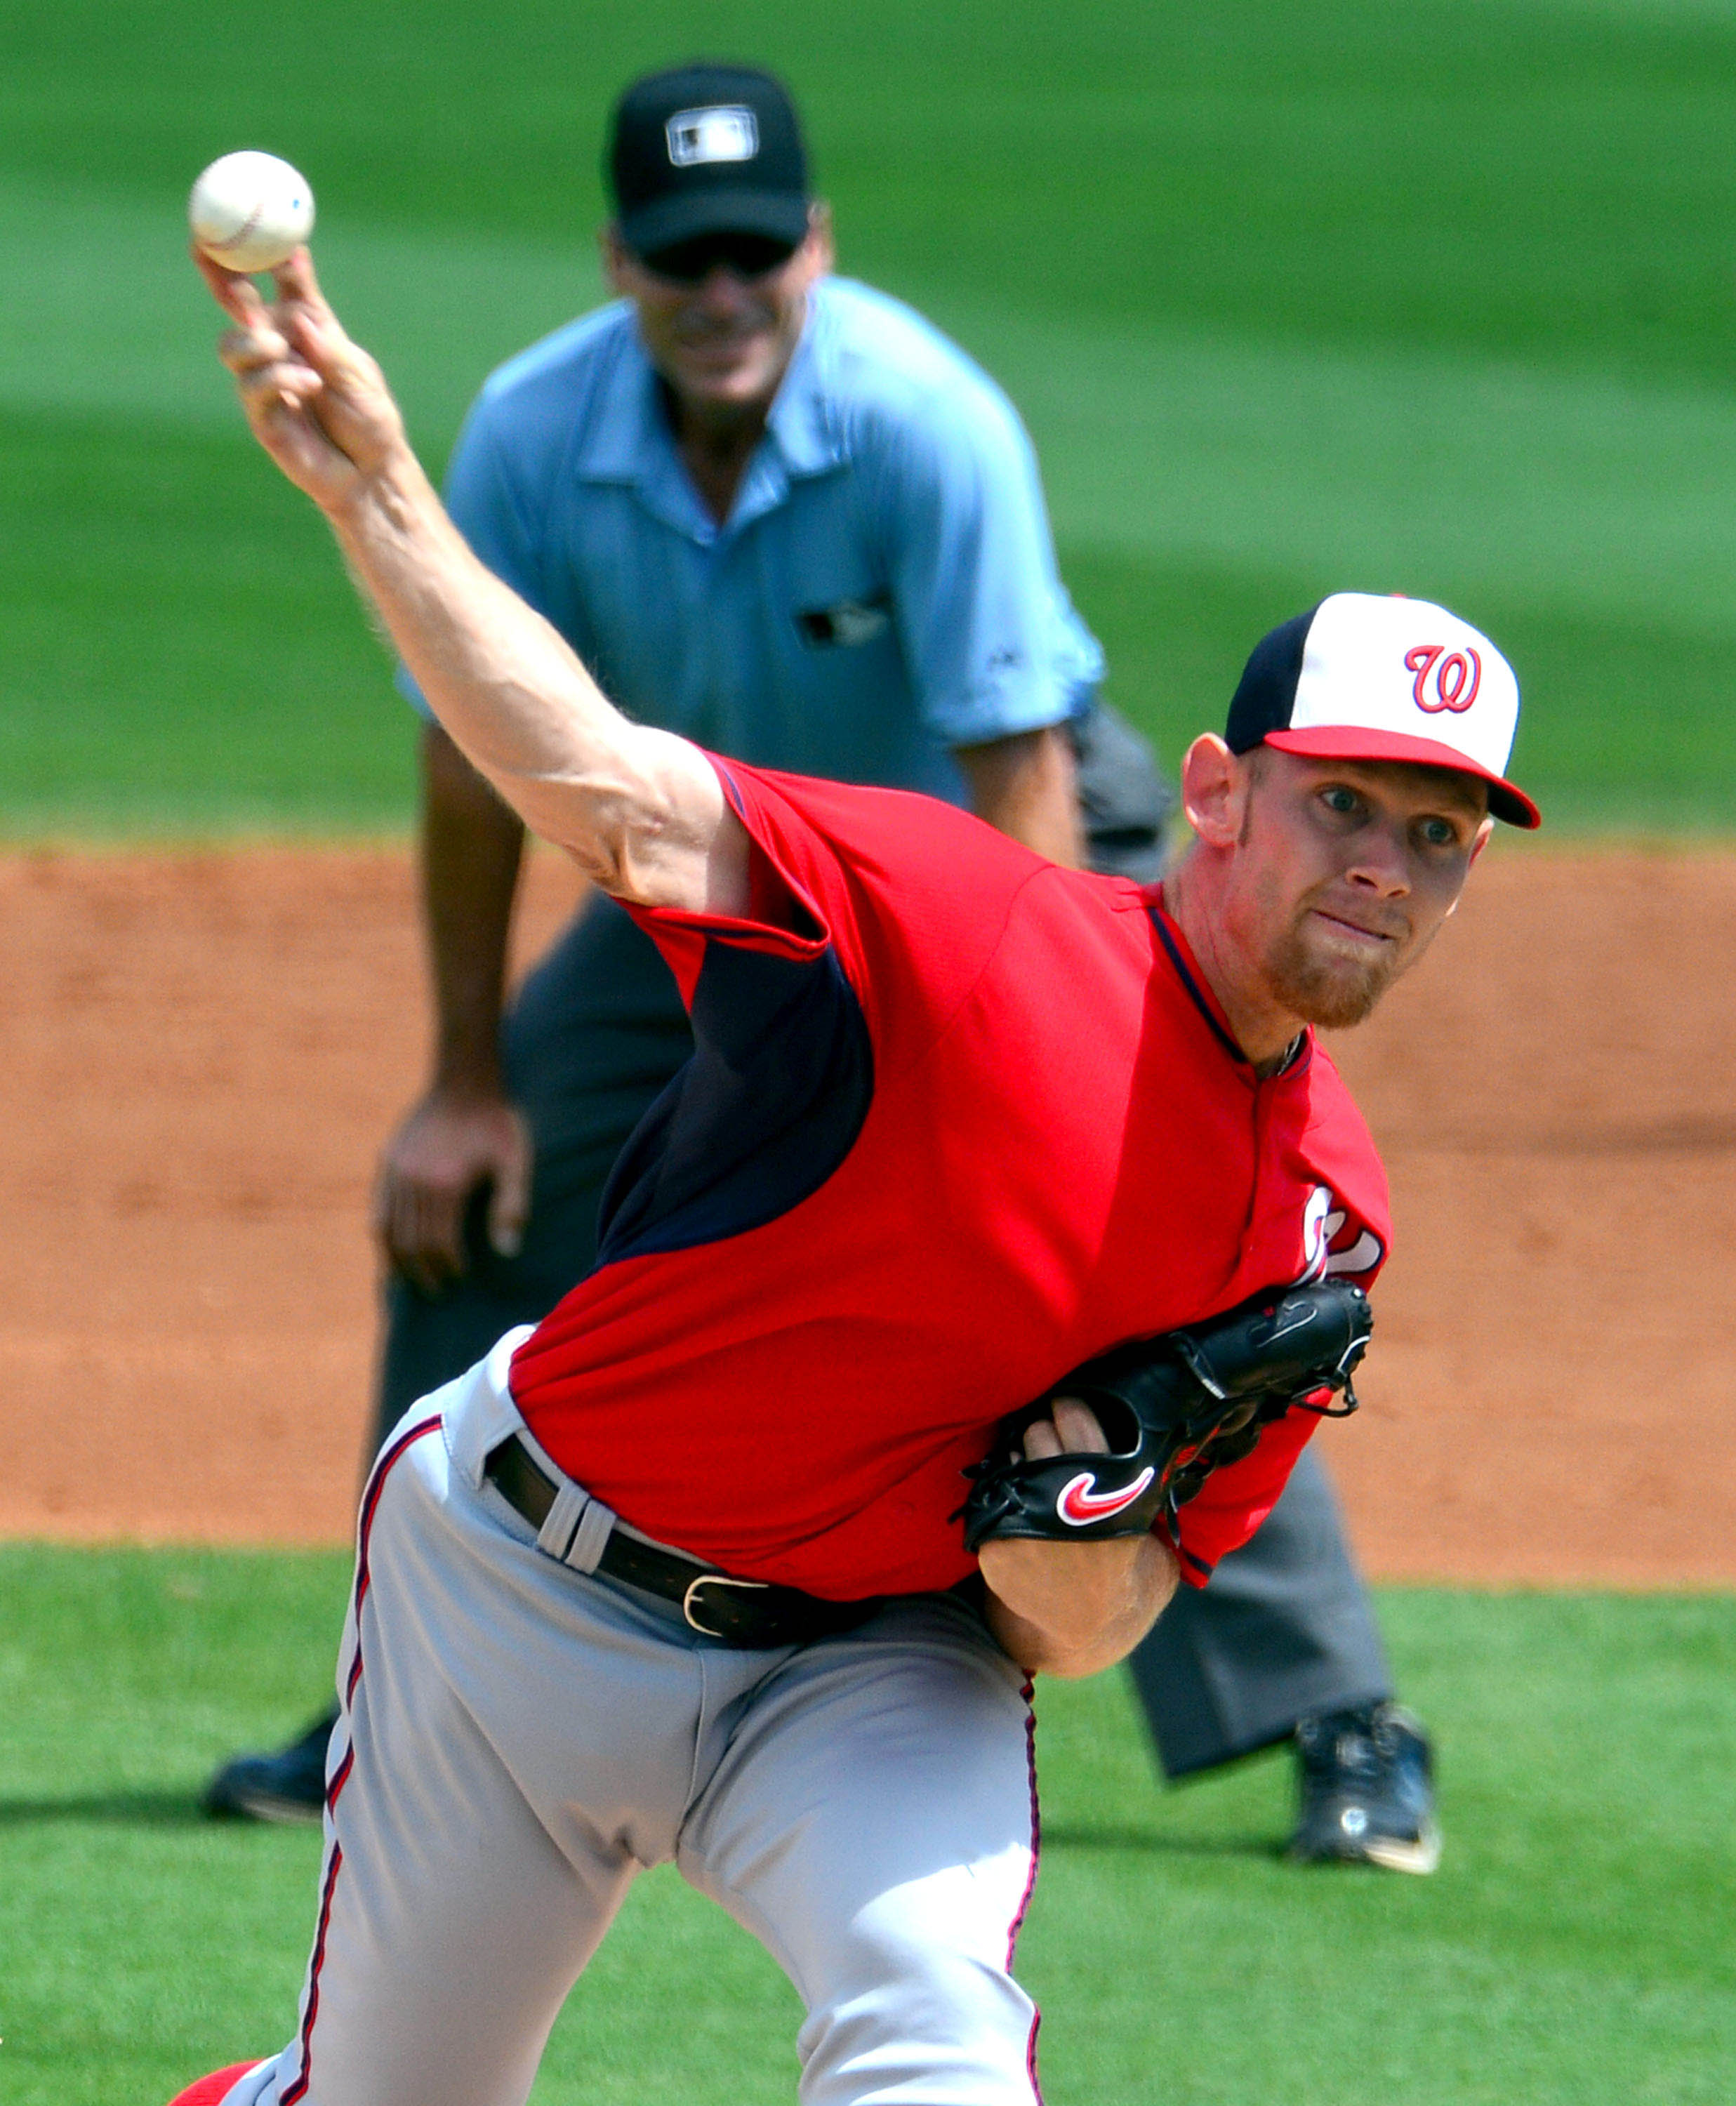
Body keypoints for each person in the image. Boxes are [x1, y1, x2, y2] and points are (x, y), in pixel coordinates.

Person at [173, 227, 1537, 2106]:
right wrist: (380, 494)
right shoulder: (959, 925)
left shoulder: (1324, 1232)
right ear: (1216, 792)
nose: (1384, 865)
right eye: (1345, 804)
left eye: (1439, 835)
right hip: (523, 1589)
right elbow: (606, 790)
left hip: (875, 1672)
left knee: (936, 2037)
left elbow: (1098, 1623)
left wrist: (1077, 1540)